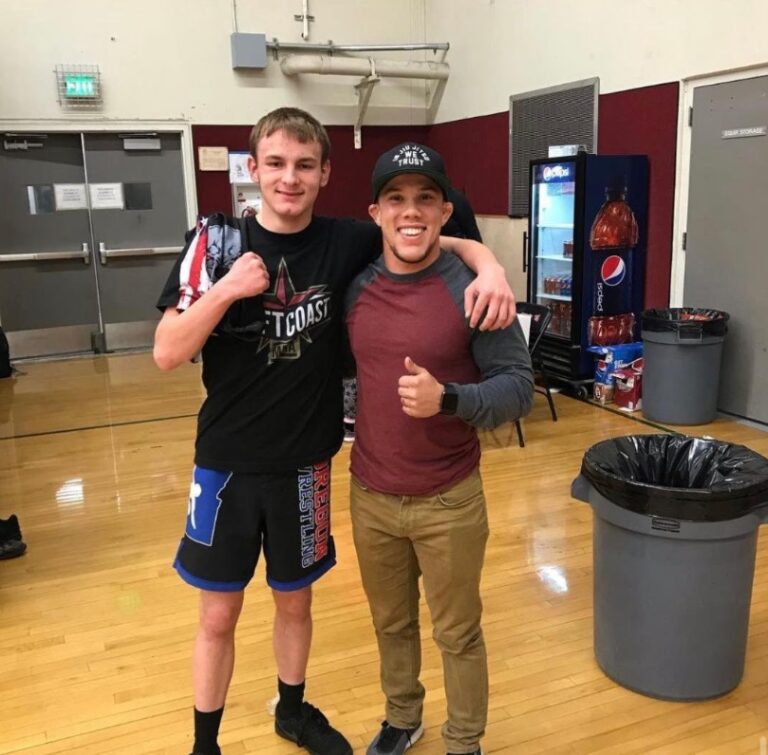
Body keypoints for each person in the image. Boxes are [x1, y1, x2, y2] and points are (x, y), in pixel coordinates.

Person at [153, 108, 518, 755]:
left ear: (324, 172)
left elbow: (432, 234)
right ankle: (204, 745)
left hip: (313, 466)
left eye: (303, 165)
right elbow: (165, 351)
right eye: (275, 163)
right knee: (222, 614)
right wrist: (226, 291)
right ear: (254, 168)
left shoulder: (346, 244)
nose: (288, 178)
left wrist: (488, 262)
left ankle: (304, 713)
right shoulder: (219, 243)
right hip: (238, 465)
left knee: (304, 605)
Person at [344, 143, 534, 755]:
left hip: (449, 500)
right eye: (396, 198)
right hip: (369, 494)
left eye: (425, 198)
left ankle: (464, 741)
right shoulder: (355, 289)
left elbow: (518, 389)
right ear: (375, 212)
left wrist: (448, 399)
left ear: (444, 210)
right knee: (390, 624)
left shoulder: (478, 291)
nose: (411, 212)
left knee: (458, 633)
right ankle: (403, 718)